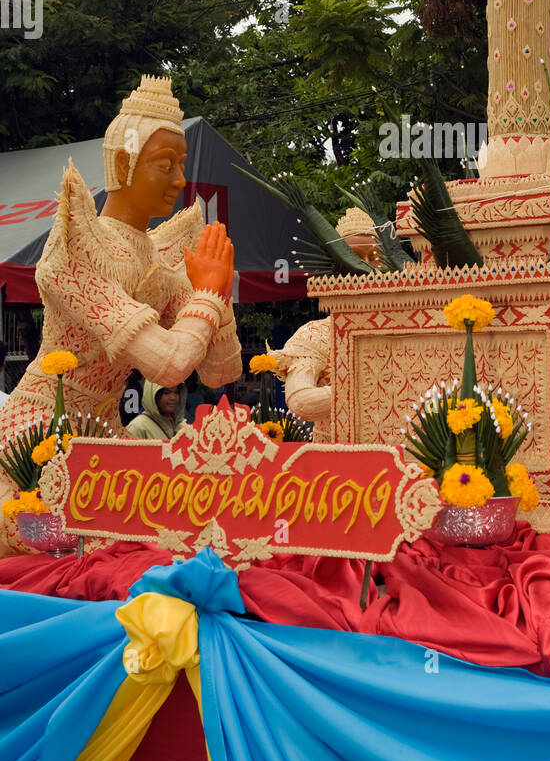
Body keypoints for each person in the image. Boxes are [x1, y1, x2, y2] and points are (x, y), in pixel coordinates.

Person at [0, 74, 241, 554]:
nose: (178, 179)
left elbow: (221, 371)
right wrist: (209, 296)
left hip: (105, 439)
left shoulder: (160, 256)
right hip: (35, 436)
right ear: (124, 164)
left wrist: (218, 295)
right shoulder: (77, 249)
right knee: (60, 547)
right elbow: (168, 365)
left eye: (181, 165)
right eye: (164, 164)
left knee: (174, 535)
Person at [270, 208, 380, 435]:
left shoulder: (405, 325)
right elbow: (301, 400)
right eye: (357, 257)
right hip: (336, 462)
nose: (368, 267)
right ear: (337, 267)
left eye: (375, 258)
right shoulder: (316, 334)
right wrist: (369, 388)